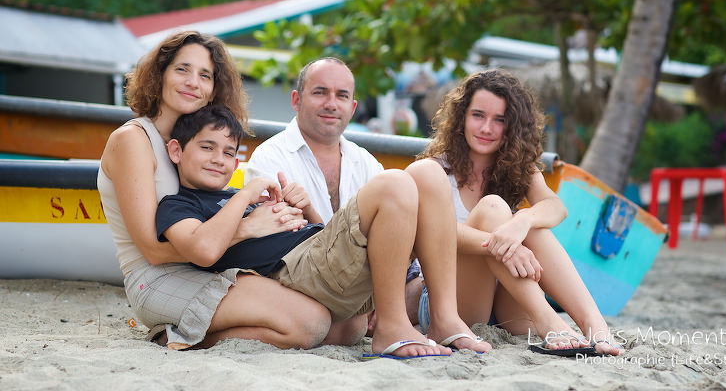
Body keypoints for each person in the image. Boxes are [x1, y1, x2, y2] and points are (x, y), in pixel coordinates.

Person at [156, 104, 491, 358]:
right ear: (176, 151)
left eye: (228, 152)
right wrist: (245, 194)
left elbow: (319, 234)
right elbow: (202, 249)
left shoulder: (235, 198)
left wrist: (305, 210)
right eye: (207, 147)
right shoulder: (179, 204)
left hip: (320, 263)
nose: (219, 159)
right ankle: (393, 326)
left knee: (430, 175)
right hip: (294, 274)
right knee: (395, 183)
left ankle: (444, 318)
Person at [98, 31, 339, 351]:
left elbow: (212, 215)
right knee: (310, 323)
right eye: (182, 69)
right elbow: (153, 251)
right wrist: (246, 229)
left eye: (205, 75)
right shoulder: (133, 139)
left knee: (344, 329)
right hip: (156, 279)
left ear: (214, 88)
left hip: (210, 264)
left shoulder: (198, 146)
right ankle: (177, 337)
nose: (193, 82)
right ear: (160, 74)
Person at [405, 69, 623, 356]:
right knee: (494, 208)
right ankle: (550, 321)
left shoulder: (517, 168)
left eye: (500, 120)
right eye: (478, 115)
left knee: (531, 223)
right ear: (461, 118)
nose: (486, 128)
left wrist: (521, 221)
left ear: (513, 126)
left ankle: (595, 325)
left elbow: (556, 207)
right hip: (449, 303)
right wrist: (505, 244)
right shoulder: (434, 171)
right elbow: (431, 232)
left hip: (508, 303)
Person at [244, 57, 425, 328]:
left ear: (352, 107)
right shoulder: (270, 157)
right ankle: (391, 317)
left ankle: (399, 314)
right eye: (320, 92)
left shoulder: (365, 162)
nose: (331, 104)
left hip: (365, 290)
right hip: (303, 293)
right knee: (402, 181)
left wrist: (387, 296)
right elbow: (279, 252)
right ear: (296, 100)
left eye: (341, 96)